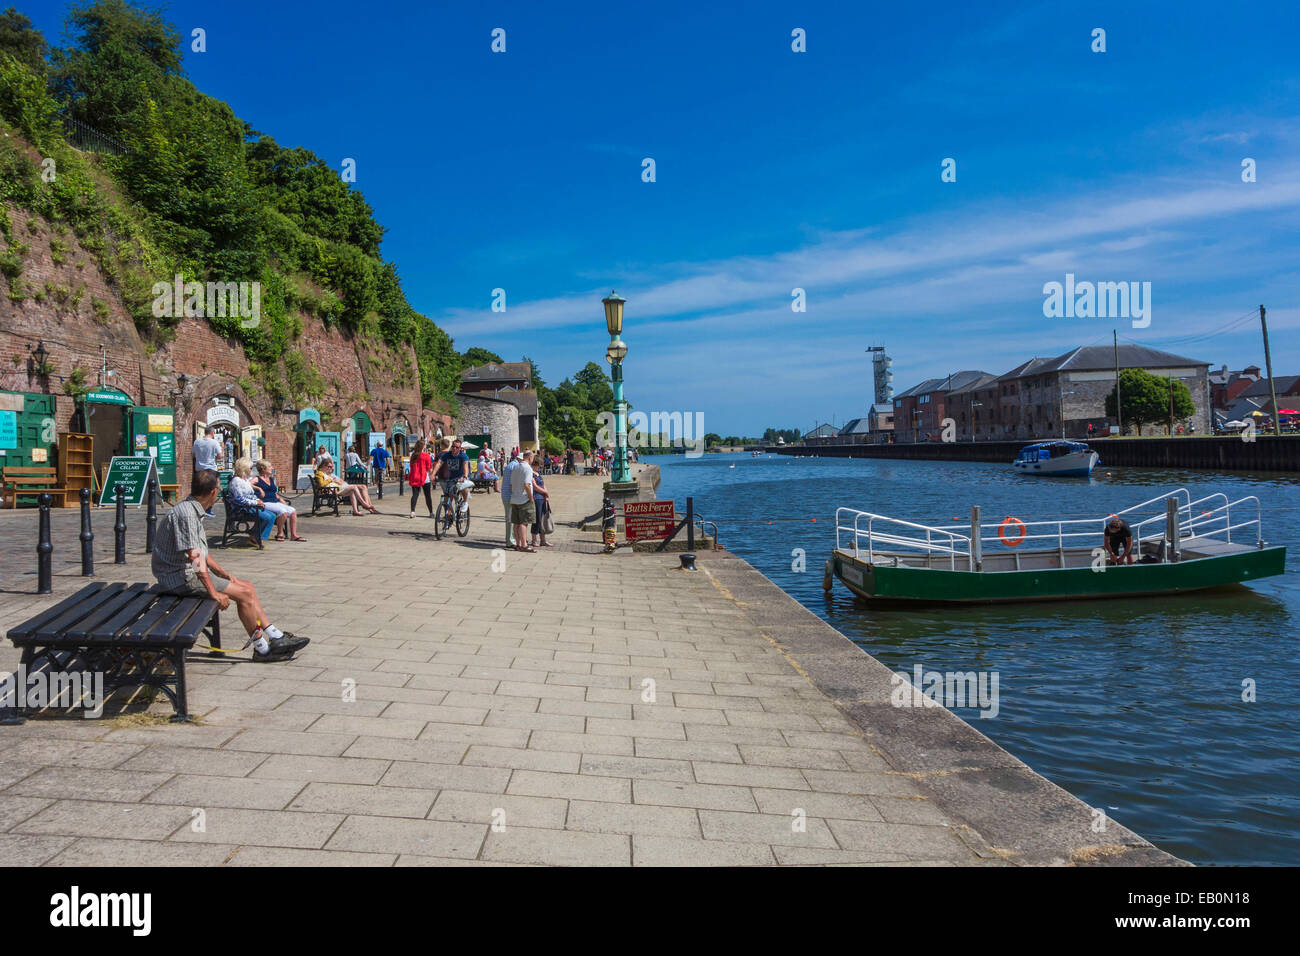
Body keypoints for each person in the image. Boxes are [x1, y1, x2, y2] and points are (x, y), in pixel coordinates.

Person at [153, 469, 309, 662]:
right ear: (212, 492)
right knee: (244, 594)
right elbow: (195, 557)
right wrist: (213, 592)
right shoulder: (186, 514)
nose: (219, 492)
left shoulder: (191, 509)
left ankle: (276, 636)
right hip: (179, 578)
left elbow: (199, 552)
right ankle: (262, 649)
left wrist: (222, 572)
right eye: (218, 489)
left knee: (247, 587)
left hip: (184, 574)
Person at [229, 457, 279, 545]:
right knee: (267, 517)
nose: (252, 470)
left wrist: (258, 500)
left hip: (249, 507)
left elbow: (250, 495)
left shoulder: (244, 480)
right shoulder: (236, 481)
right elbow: (239, 499)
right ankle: (257, 537)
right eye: (251, 468)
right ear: (245, 469)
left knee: (272, 516)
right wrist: (255, 502)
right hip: (241, 509)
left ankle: (255, 535)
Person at [253, 460, 304, 541]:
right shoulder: (257, 479)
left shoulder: (271, 479)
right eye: (269, 467)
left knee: (293, 511)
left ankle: (294, 535)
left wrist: (280, 499)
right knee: (283, 511)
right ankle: (280, 533)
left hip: (275, 502)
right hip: (265, 502)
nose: (272, 468)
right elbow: (247, 484)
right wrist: (258, 488)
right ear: (263, 469)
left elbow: (273, 492)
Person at [431, 437, 472, 514]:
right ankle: (448, 517)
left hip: (461, 477)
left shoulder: (463, 456)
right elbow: (439, 463)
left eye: (457, 447)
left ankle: (465, 502)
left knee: (463, 487)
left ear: (460, 448)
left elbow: (465, 466)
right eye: (453, 446)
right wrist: (433, 474)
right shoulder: (447, 455)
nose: (454, 448)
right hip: (451, 478)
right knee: (449, 497)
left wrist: (465, 476)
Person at [510, 450, 539, 553]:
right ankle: (524, 545)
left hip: (514, 498)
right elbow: (526, 485)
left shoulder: (516, 466)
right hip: (524, 499)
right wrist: (531, 498)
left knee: (516, 523)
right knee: (524, 523)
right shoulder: (527, 468)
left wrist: (514, 494)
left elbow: (511, 485)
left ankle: (518, 544)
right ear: (530, 457)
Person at [192, 427, 224, 517]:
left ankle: (197, 507)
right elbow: (219, 456)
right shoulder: (214, 442)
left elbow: (193, 454)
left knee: (200, 489)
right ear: (213, 433)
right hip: (211, 469)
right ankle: (208, 508)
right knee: (214, 488)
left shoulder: (197, 442)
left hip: (199, 469)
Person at [407, 438, 435, 518]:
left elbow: (411, 466)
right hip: (424, 477)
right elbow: (429, 468)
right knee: (427, 496)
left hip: (415, 476)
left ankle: (412, 511)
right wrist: (432, 477)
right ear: (423, 447)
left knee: (415, 495)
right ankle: (431, 512)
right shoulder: (426, 456)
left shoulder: (413, 455)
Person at [529, 467, 552, 548]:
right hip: (536, 498)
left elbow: (543, 484)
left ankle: (543, 540)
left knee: (542, 519)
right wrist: (545, 492)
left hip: (542, 497)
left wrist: (546, 494)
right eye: (539, 464)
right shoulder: (531, 473)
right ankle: (534, 540)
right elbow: (535, 486)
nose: (541, 466)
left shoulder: (538, 473)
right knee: (537, 519)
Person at [501, 452, 519, 547]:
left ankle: (511, 539)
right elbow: (513, 483)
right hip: (510, 496)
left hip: (506, 495)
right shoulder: (515, 466)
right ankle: (511, 541)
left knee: (509, 519)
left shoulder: (511, 465)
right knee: (510, 519)